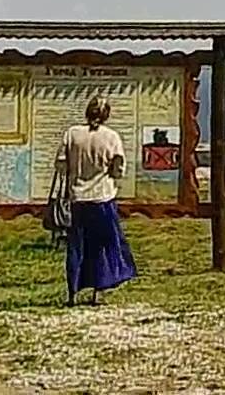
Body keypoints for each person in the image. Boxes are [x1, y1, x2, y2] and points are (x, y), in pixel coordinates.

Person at [55, 95, 137, 306]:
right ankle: (97, 293)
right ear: (106, 114)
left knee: (76, 247)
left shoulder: (72, 134)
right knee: (102, 246)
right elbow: (118, 169)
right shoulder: (111, 137)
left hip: (77, 198)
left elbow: (61, 164)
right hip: (102, 198)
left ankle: (72, 292)